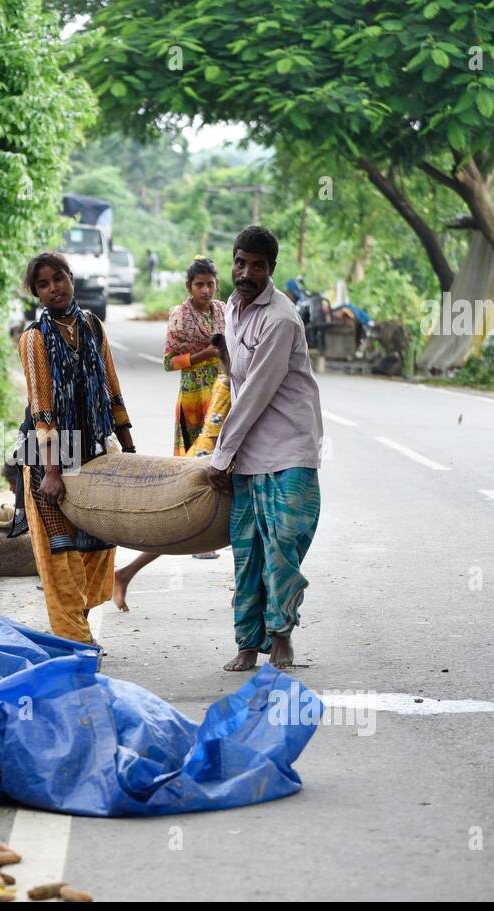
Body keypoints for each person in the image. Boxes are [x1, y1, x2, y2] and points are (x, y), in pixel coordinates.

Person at [207, 226, 323, 672]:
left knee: (283, 549)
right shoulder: (232, 310)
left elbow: (254, 392)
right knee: (247, 551)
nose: (247, 272)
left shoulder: (280, 318)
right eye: (241, 262)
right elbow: (238, 377)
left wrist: (219, 456)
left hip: (290, 448)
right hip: (249, 452)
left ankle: (282, 636)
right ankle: (246, 643)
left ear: (272, 269)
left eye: (258, 265)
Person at [17, 250, 135, 650]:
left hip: (95, 449)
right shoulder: (34, 339)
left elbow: (112, 388)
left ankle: (78, 627)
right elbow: (42, 411)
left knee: (98, 546)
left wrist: (130, 450)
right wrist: (51, 471)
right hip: (48, 455)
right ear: (36, 293)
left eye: (59, 279)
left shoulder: (91, 324)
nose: (55, 289)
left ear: (72, 277)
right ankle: (75, 642)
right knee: (60, 554)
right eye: (44, 284)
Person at [112, 331, 233, 610]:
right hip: (208, 463)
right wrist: (211, 466)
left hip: (210, 460)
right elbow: (216, 433)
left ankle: (125, 574)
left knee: (201, 527)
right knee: (181, 527)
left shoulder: (229, 381)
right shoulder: (229, 384)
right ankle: (124, 574)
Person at [164, 256, 227, 458]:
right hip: (192, 398)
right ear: (189, 286)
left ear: (217, 285)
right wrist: (204, 355)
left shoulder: (224, 311)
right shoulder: (180, 316)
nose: (205, 290)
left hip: (220, 396)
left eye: (210, 284)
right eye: (199, 285)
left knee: (219, 453)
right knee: (192, 459)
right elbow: (169, 362)